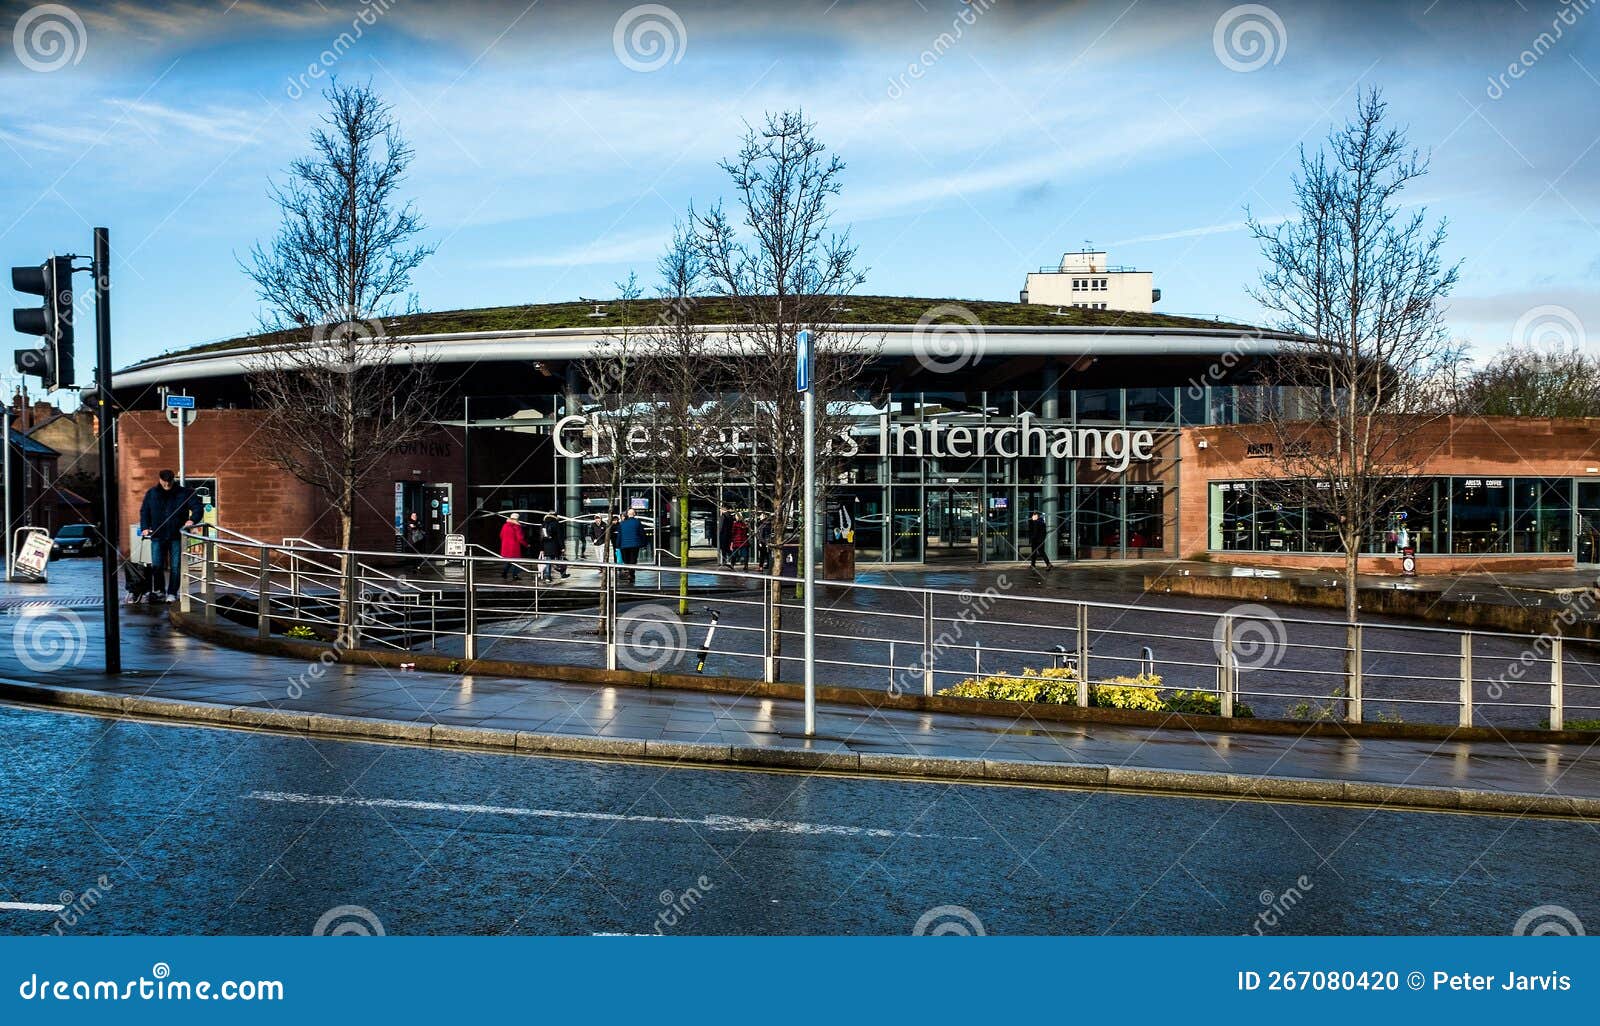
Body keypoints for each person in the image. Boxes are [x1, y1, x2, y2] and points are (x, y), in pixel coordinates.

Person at [139, 469, 201, 601]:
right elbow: (144, 511)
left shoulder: (185, 492)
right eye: (164, 482)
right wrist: (144, 527)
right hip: (157, 534)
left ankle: (172, 592)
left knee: (175, 566)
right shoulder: (152, 493)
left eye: (169, 482)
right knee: (157, 565)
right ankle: (160, 590)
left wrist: (192, 519)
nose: (167, 485)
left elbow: (197, 507)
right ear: (160, 479)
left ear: (173, 480)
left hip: (177, 535)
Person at [616, 508, 645, 583]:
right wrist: (643, 543)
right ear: (634, 514)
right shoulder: (638, 522)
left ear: (627, 515)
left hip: (624, 545)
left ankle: (629, 572)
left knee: (626, 560)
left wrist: (618, 545)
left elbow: (619, 535)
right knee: (633, 560)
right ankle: (631, 574)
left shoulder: (622, 523)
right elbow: (642, 534)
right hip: (634, 545)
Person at [540, 512, 569, 582]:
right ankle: (563, 574)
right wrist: (562, 547)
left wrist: (541, 548)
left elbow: (541, 537)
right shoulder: (556, 524)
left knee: (548, 561)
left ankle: (548, 576)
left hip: (546, 546)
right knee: (560, 560)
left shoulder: (543, 524)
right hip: (555, 545)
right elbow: (560, 537)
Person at [499, 512, 526, 581]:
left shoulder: (505, 525)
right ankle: (515, 575)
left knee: (509, 561)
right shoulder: (517, 526)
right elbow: (520, 538)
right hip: (514, 547)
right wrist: (526, 544)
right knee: (517, 562)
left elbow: (501, 535)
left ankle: (504, 573)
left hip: (505, 547)